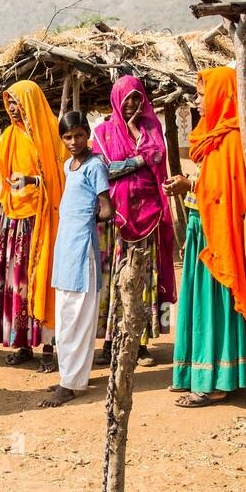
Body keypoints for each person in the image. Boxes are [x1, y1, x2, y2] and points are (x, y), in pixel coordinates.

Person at [162, 67, 246, 407]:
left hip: (219, 234)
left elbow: (235, 192)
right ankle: (198, 374)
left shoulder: (234, 138)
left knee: (215, 307)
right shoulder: (214, 135)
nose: (197, 100)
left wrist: (190, 185)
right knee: (202, 305)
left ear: (220, 95)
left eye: (201, 94)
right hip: (204, 228)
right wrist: (192, 182)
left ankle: (215, 382)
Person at [0, 80, 66, 372]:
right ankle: (23, 343)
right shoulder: (8, 135)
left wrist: (33, 181)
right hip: (12, 220)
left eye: (16, 103)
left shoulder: (52, 136)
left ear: (30, 103)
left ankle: (48, 345)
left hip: (43, 219)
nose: (12, 108)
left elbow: (62, 176)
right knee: (16, 282)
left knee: (41, 280)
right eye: (9, 103)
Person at [91, 76, 176, 369]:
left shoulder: (152, 129)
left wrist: (134, 136)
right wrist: (139, 159)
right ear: (116, 99)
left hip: (148, 216)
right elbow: (102, 169)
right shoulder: (102, 132)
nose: (130, 104)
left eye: (136, 98)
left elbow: (158, 156)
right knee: (112, 279)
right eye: (126, 98)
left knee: (143, 279)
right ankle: (110, 340)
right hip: (115, 217)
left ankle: (140, 343)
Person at [41, 112, 111, 407]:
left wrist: (85, 220)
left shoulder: (94, 166)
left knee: (77, 318)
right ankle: (73, 376)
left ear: (87, 135)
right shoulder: (70, 166)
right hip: (66, 249)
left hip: (82, 249)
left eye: (79, 135)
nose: (73, 141)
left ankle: (69, 383)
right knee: (66, 315)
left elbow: (106, 208)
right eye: (67, 137)